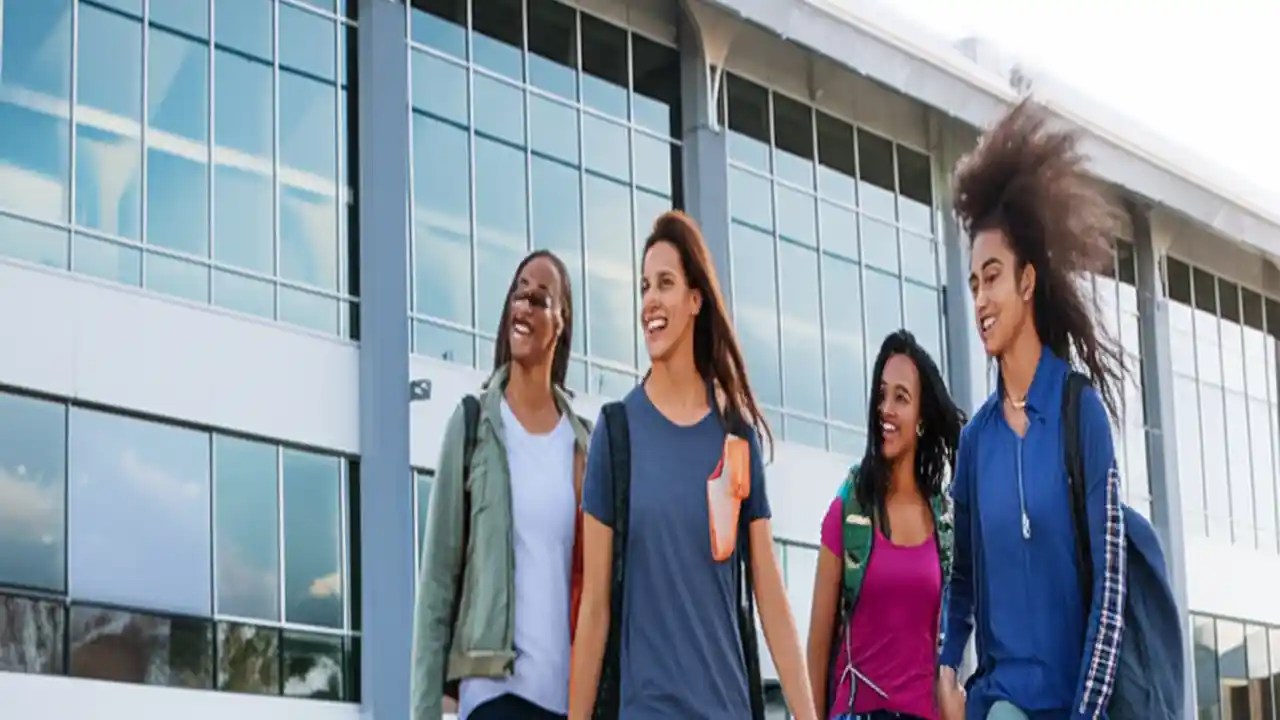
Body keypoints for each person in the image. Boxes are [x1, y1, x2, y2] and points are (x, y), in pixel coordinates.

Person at [568, 211, 817, 720]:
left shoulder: (735, 437)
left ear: (695, 300)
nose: (650, 301)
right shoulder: (616, 435)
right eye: (644, 287)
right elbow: (594, 608)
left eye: (665, 283)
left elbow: (769, 592)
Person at [936, 99, 1129, 720]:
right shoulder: (976, 442)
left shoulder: (1080, 414)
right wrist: (946, 664)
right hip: (998, 707)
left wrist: (1086, 712)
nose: (980, 299)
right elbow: (962, 581)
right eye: (973, 284)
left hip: (1073, 706)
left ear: (1027, 281)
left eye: (992, 276)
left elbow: (1110, 593)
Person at [412, 250, 592, 720]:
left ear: (561, 321)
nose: (524, 306)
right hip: (492, 697)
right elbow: (437, 584)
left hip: (568, 701)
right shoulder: (474, 424)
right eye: (518, 292)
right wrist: (425, 710)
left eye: (540, 298)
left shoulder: (584, 447)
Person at [806, 330, 965, 720]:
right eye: (881, 396)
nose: (886, 409)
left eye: (901, 397)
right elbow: (817, 647)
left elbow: (943, 648)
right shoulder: (849, 510)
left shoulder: (944, 522)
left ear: (922, 418)